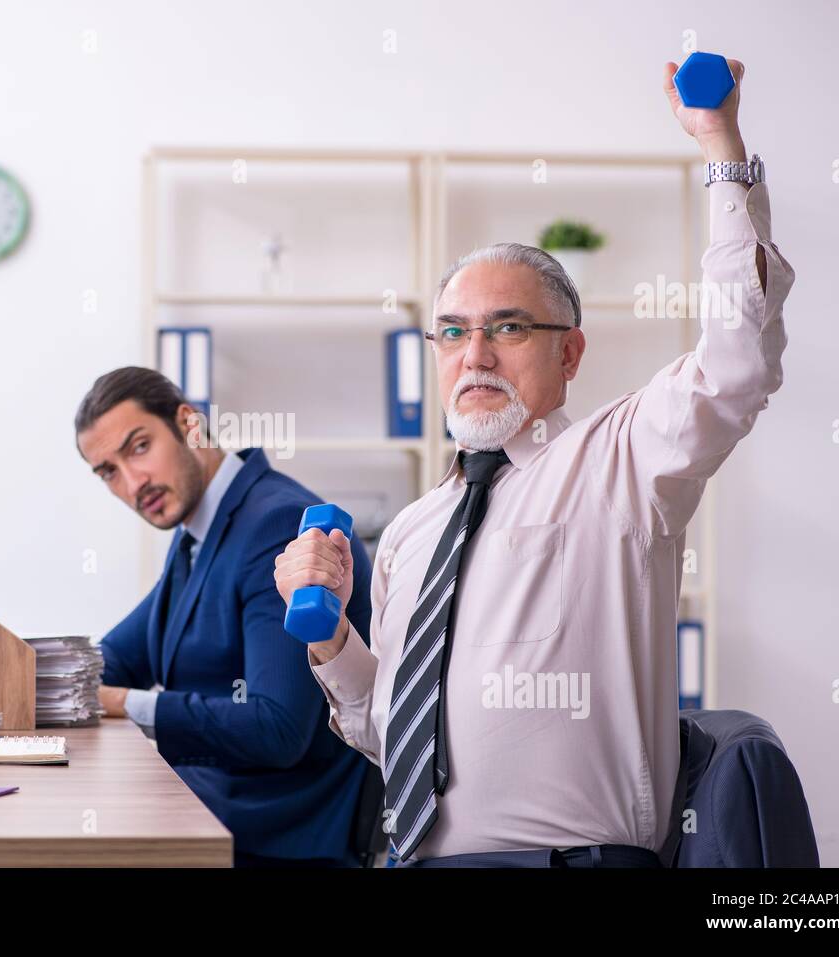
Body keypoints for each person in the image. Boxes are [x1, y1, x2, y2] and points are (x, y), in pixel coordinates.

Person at [274, 57, 794, 867]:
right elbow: (386, 734)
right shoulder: (415, 530)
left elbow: (738, 360)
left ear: (571, 353)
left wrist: (720, 150)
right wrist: (331, 636)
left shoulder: (621, 461)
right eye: (452, 331)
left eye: (507, 328)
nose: (473, 353)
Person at [76, 366, 375, 866]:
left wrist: (127, 704)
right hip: (215, 815)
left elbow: (276, 730)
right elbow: (115, 658)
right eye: (108, 471)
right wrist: (29, 674)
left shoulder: (274, 523)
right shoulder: (200, 531)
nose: (132, 482)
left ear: (189, 425)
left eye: (139, 447)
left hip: (276, 837)